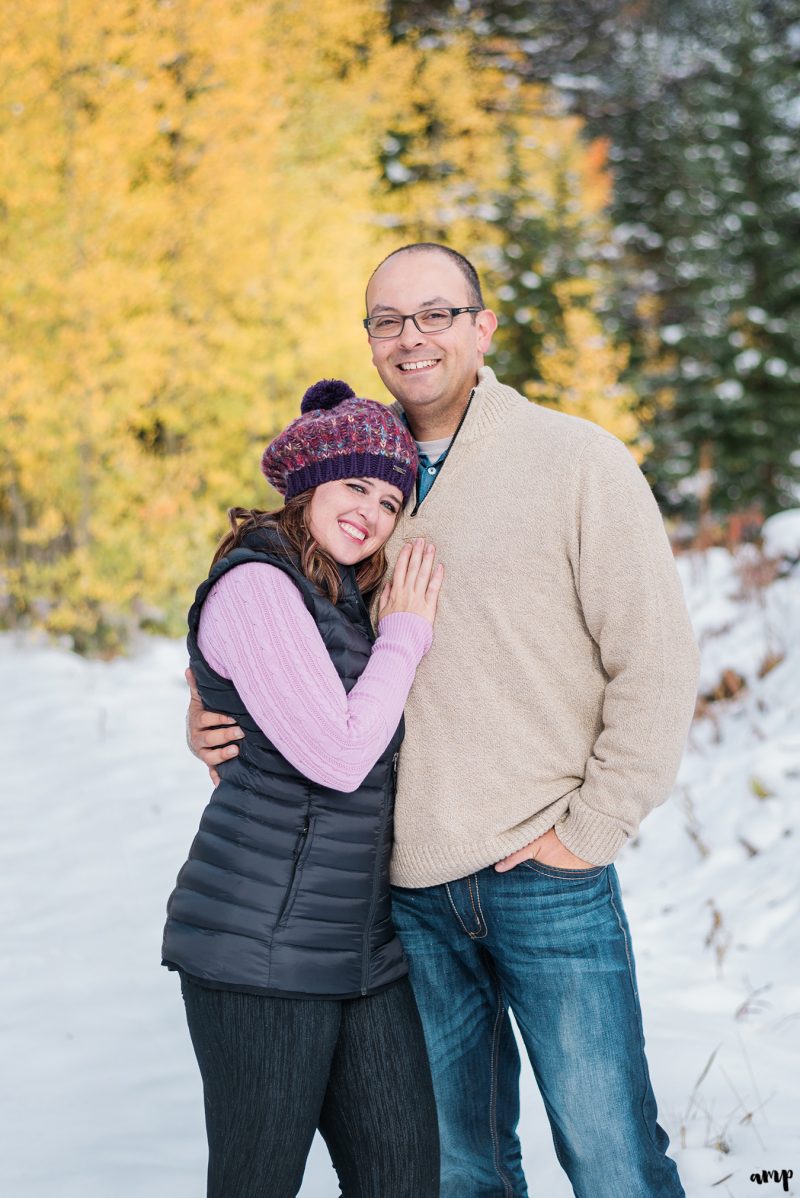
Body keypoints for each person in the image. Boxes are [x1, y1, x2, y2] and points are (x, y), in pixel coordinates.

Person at [189, 244, 700, 1198]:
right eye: (388, 320)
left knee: (613, 1159)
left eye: (436, 314)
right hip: (403, 892)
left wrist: (592, 829)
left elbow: (657, 660)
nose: (411, 337)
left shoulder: (575, 460)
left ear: (482, 327)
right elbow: (274, 609)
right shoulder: (356, 468)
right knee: (461, 1170)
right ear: (370, 341)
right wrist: (208, 700)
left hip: (546, 873)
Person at [164, 378, 443, 1198]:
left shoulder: (341, 595)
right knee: (258, 1182)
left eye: (390, 502)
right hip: (261, 949)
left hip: (359, 946)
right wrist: (405, 636)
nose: (372, 513)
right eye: (355, 486)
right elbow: (340, 755)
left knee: (403, 1178)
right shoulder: (258, 584)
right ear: (308, 485)